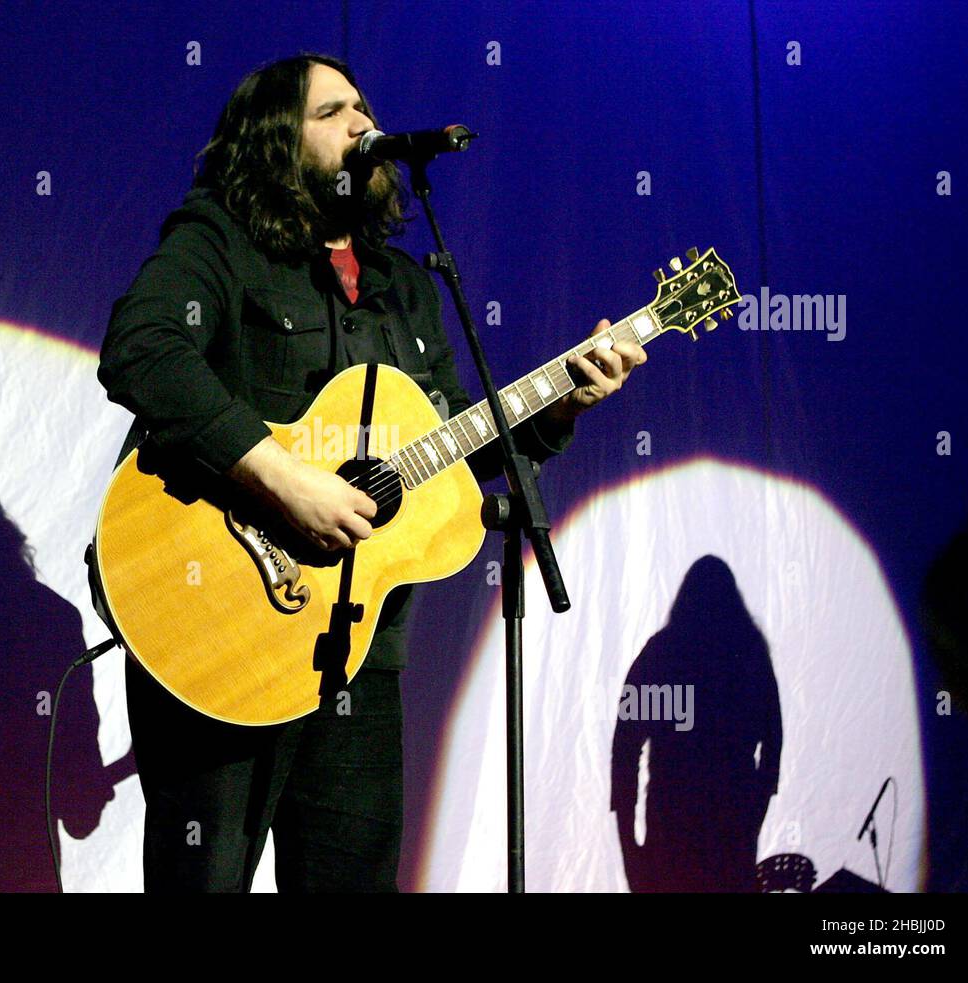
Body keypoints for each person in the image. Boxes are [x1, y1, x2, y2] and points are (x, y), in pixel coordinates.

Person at [97, 53, 646, 892]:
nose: (361, 124)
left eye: (363, 108)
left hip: (358, 653)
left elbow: (462, 448)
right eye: (331, 112)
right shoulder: (220, 241)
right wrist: (284, 479)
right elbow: (142, 350)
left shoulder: (404, 288)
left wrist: (565, 403)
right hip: (223, 625)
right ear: (275, 141)